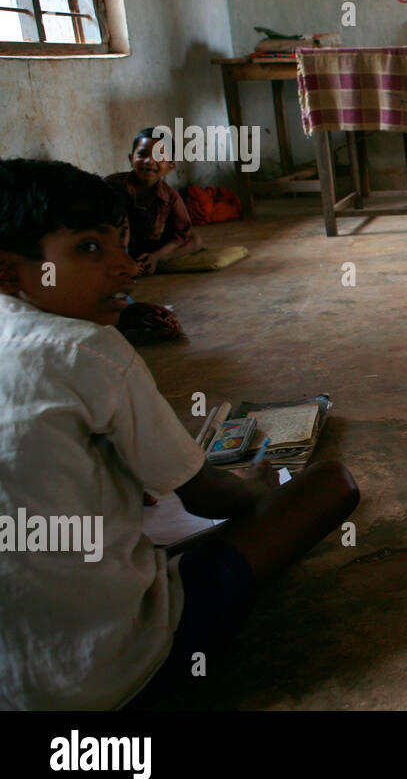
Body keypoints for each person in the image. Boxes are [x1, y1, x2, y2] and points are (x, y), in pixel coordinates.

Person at [0, 158, 360, 709]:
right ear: (10, 272)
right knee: (329, 484)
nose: (126, 267)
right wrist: (254, 486)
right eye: (89, 249)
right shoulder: (90, 353)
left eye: (119, 243)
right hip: (115, 678)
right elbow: (205, 495)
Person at [107, 127, 203, 277]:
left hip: (148, 247)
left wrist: (157, 256)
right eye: (142, 154)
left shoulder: (170, 196)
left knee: (195, 240)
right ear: (131, 159)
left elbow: (180, 234)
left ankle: (152, 261)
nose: (149, 161)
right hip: (115, 244)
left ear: (171, 166)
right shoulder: (112, 185)